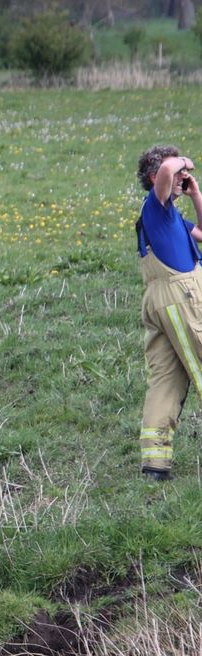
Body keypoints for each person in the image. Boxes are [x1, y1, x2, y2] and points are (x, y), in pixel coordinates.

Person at [135, 146, 202, 480]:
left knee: (166, 379)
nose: (182, 177)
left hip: (163, 300)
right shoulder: (156, 208)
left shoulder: (173, 215)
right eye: (177, 175)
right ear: (156, 178)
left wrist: (195, 194)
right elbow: (168, 168)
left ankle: (155, 464)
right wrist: (182, 163)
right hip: (179, 296)